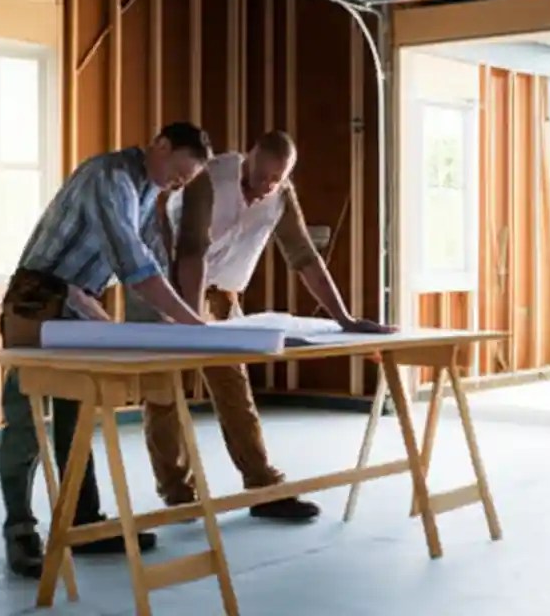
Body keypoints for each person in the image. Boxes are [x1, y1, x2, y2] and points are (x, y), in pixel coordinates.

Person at [140, 129, 394, 521]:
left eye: (275, 180)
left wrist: (344, 318)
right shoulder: (210, 177)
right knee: (163, 391)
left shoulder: (281, 196)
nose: (263, 188)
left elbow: (304, 257)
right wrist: (190, 325)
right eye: (258, 177)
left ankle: (263, 486)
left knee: (234, 387)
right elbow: (192, 250)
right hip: (172, 289)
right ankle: (179, 495)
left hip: (223, 295)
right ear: (248, 158)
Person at [0, 122, 213, 579]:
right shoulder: (108, 176)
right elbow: (134, 265)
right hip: (36, 299)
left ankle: (83, 522)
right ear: (159, 145)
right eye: (177, 173)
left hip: (81, 299)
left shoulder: (149, 193)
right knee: (27, 420)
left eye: (185, 182)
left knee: (77, 419)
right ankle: (19, 531)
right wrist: (192, 325)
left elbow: (153, 269)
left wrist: (169, 332)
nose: (178, 185)